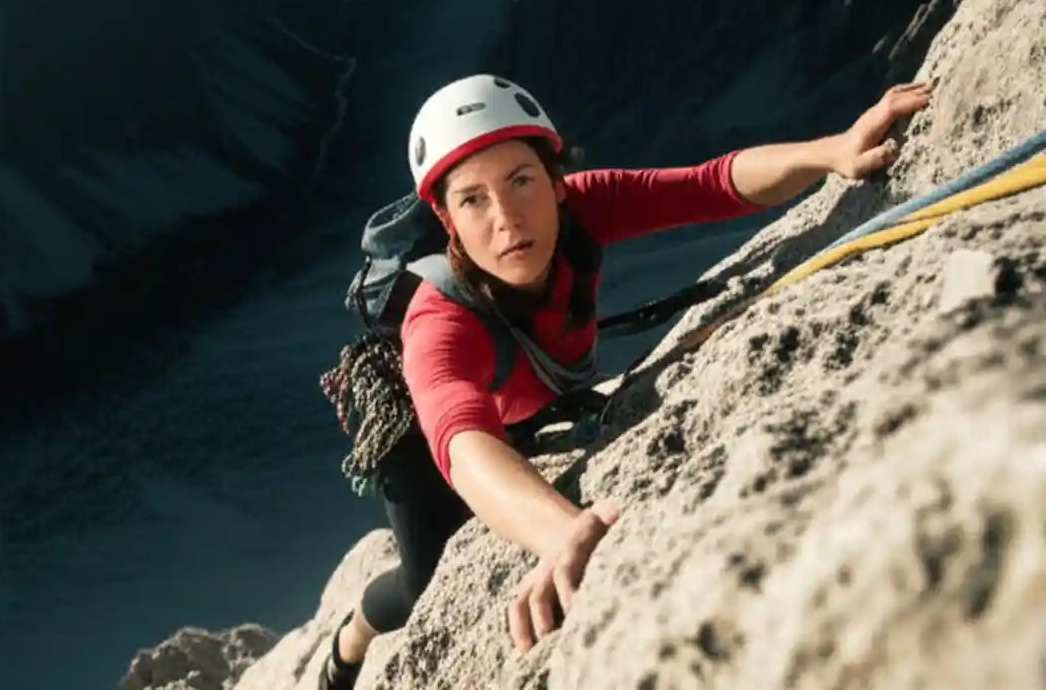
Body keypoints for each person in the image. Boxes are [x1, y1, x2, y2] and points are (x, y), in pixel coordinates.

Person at [319, 73, 932, 689]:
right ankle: (351, 639)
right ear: (446, 219)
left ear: (556, 181)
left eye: (521, 181)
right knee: (422, 583)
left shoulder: (579, 213)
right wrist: (561, 532)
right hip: (416, 432)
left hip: (515, 404)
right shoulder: (438, 322)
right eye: (473, 200)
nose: (506, 219)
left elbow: (711, 184)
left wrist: (832, 151)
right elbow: (462, 440)